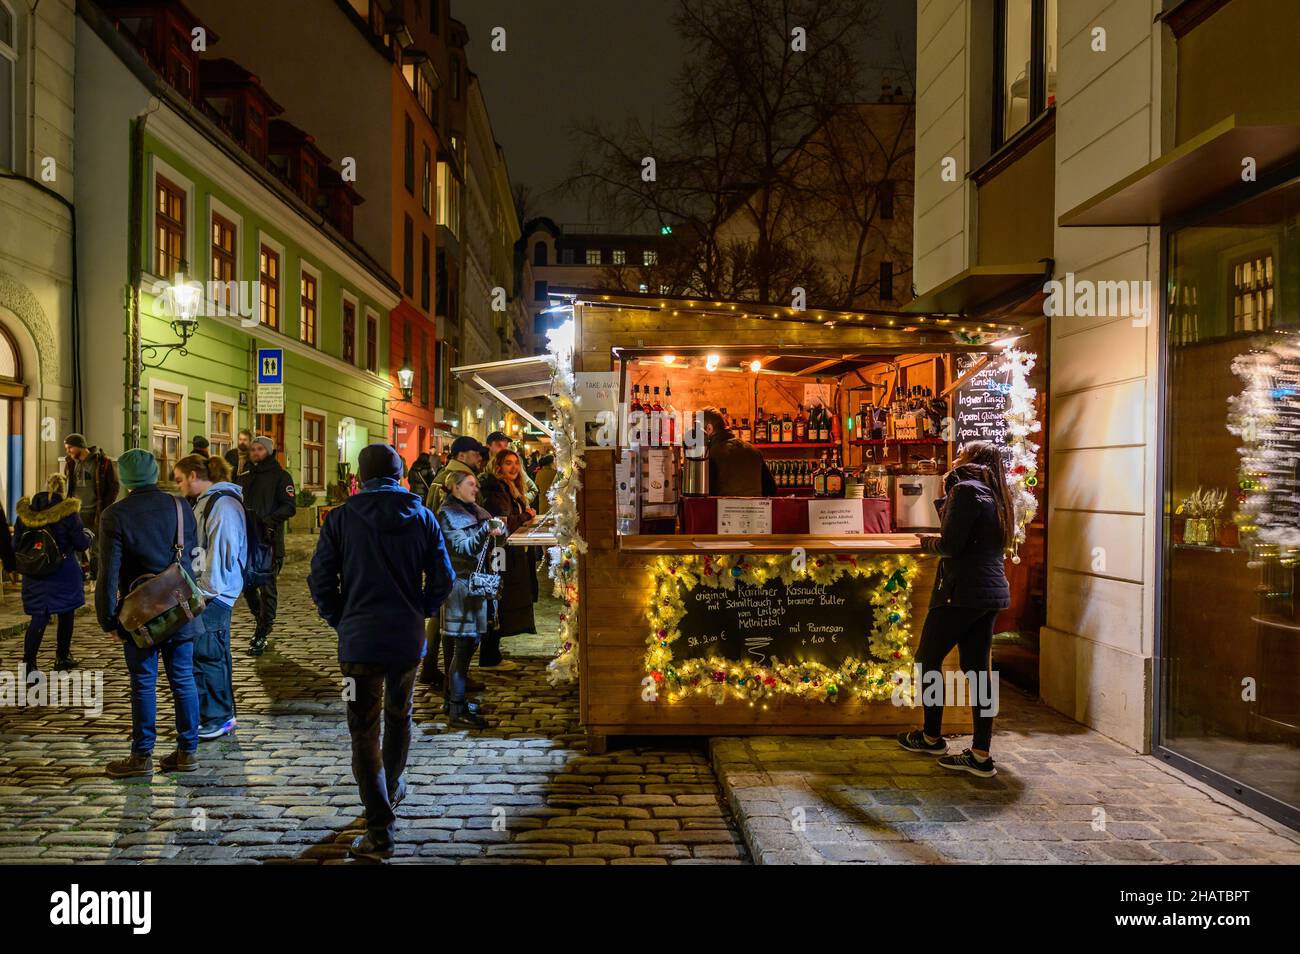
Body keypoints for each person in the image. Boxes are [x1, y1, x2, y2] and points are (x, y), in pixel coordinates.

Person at [308, 443, 454, 860]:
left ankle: (379, 827)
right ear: (399, 474)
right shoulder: (422, 517)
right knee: (399, 714)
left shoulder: (340, 518)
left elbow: (320, 579)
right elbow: (443, 579)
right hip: (406, 640)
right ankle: (390, 786)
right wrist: (420, 611)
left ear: (361, 476)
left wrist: (341, 618)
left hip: (358, 645)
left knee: (362, 726)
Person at [897, 440, 1012, 778]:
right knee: (978, 671)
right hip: (990, 593)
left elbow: (949, 545)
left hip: (961, 592)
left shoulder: (965, 489)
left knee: (927, 660)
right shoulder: (997, 493)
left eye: (961, 452)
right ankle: (981, 753)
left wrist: (925, 542)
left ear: (971, 458)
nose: (955, 456)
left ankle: (931, 737)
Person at [98, 449, 202, 778]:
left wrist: (109, 620)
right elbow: (191, 557)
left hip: (141, 615)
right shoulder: (180, 506)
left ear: (125, 478)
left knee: (143, 684)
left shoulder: (115, 515)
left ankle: (141, 756)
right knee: (183, 679)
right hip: (180, 607)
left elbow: (108, 573)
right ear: (155, 472)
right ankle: (187, 752)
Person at [175, 453, 245, 741]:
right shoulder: (208, 502)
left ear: (194, 475)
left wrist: (204, 592)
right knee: (208, 652)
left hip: (215, 593)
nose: (178, 485)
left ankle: (218, 717)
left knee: (209, 654)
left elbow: (221, 552)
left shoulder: (223, 504)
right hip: (208, 590)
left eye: (180, 479)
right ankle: (219, 714)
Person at [417, 435, 489, 691]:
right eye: (475, 452)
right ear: (461, 455)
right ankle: (453, 676)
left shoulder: (443, 477)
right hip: (455, 558)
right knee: (454, 618)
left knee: (440, 614)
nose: (479, 457)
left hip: (442, 554)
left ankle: (430, 669)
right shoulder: (456, 479)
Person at [436, 469, 506, 729]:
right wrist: (486, 530)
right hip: (459, 588)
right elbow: (463, 549)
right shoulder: (447, 514)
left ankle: (452, 701)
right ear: (456, 487)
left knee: (464, 647)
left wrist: (500, 529)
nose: (476, 489)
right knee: (462, 649)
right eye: (471, 484)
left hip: (473, 587)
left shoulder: (476, 510)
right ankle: (457, 708)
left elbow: (497, 542)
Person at [14, 473, 91, 674]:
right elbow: (81, 543)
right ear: (63, 490)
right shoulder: (68, 513)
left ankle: (29, 663)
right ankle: (62, 656)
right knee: (66, 613)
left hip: (34, 572)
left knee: (38, 616)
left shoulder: (26, 513)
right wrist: (88, 536)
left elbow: (16, 545)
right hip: (63, 572)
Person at [477, 449, 539, 671]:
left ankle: (492, 653)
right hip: (498, 553)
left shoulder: (508, 487)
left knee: (500, 598)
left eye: (516, 463)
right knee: (496, 598)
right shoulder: (496, 490)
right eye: (508, 463)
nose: (514, 468)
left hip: (503, 551)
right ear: (498, 467)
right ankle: (489, 656)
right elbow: (502, 524)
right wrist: (526, 515)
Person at [237, 436, 295, 656]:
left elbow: (289, 506)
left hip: (269, 542)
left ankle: (262, 632)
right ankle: (261, 619)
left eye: (260, 449)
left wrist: (267, 521)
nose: (255, 452)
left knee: (267, 589)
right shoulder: (244, 477)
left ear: (269, 451)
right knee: (247, 587)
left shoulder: (281, 476)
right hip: (246, 541)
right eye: (253, 449)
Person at [63, 433, 119, 578]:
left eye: (70, 447)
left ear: (80, 446)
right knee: (74, 546)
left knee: (96, 549)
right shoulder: (70, 463)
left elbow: (114, 486)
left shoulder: (102, 462)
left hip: (95, 513)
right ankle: (77, 576)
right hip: (75, 512)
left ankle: (95, 577)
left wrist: (105, 506)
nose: (67, 451)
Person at [698, 407, 775, 497]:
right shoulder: (754, 450)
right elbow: (771, 489)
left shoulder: (711, 454)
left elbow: (703, 494)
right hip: (755, 505)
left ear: (709, 429)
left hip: (723, 506)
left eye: (699, 431)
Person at [486, 431, 538, 508]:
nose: (503, 449)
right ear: (488, 446)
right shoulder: (481, 466)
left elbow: (533, 489)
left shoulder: (514, 468)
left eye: (505, 445)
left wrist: (521, 500)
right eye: (499, 445)